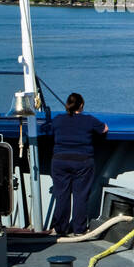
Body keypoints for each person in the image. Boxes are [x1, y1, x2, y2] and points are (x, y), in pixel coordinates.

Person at [48, 92, 108, 236]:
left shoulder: (58, 119)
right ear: (81, 105)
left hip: (60, 161)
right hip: (82, 161)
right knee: (80, 195)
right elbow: (104, 128)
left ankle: (59, 228)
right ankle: (79, 229)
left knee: (62, 195)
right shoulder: (88, 120)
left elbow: (48, 129)